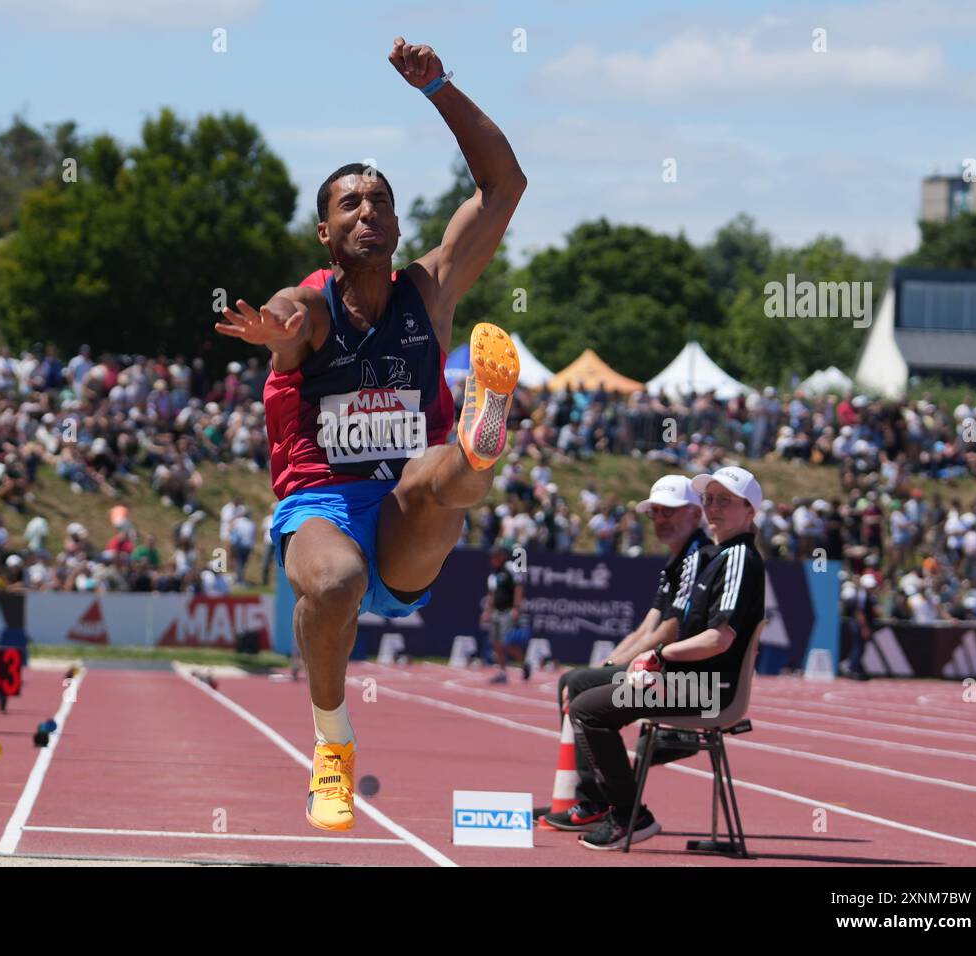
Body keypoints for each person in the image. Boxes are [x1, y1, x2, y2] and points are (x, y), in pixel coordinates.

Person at [214, 36, 526, 831]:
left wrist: (441, 89)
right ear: (326, 232)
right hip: (322, 507)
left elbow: (503, 185)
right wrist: (275, 332)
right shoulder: (312, 303)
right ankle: (332, 744)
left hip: (403, 508)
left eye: (379, 200)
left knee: (442, 476)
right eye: (349, 203)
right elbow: (289, 321)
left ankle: (483, 432)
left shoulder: (431, 288)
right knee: (336, 582)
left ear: (394, 221)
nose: (368, 211)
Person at [569, 465, 766, 849]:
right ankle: (615, 805)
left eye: (725, 500)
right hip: (683, 682)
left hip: (705, 690)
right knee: (584, 692)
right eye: (709, 499)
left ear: (750, 511)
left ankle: (629, 815)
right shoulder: (718, 554)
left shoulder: (739, 556)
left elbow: (718, 638)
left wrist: (658, 655)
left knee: (588, 710)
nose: (713, 508)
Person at [544, 475, 709, 831]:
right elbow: (645, 629)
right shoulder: (677, 561)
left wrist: (615, 667)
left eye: (670, 512)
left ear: (695, 515)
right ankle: (589, 799)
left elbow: (671, 630)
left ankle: (598, 802)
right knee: (576, 680)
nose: (661, 519)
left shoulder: (697, 555)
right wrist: (609, 664)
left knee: (580, 689)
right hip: (664, 671)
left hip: (681, 680)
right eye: (656, 513)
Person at [481, 545, 526, 683]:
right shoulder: (493, 574)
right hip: (496, 612)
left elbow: (518, 587)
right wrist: (487, 612)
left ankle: (524, 664)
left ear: (501, 556)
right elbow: (491, 595)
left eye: (495, 556)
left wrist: (517, 608)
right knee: (495, 643)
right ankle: (502, 672)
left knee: (506, 642)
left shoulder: (511, 567)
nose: (492, 559)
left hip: (508, 611)